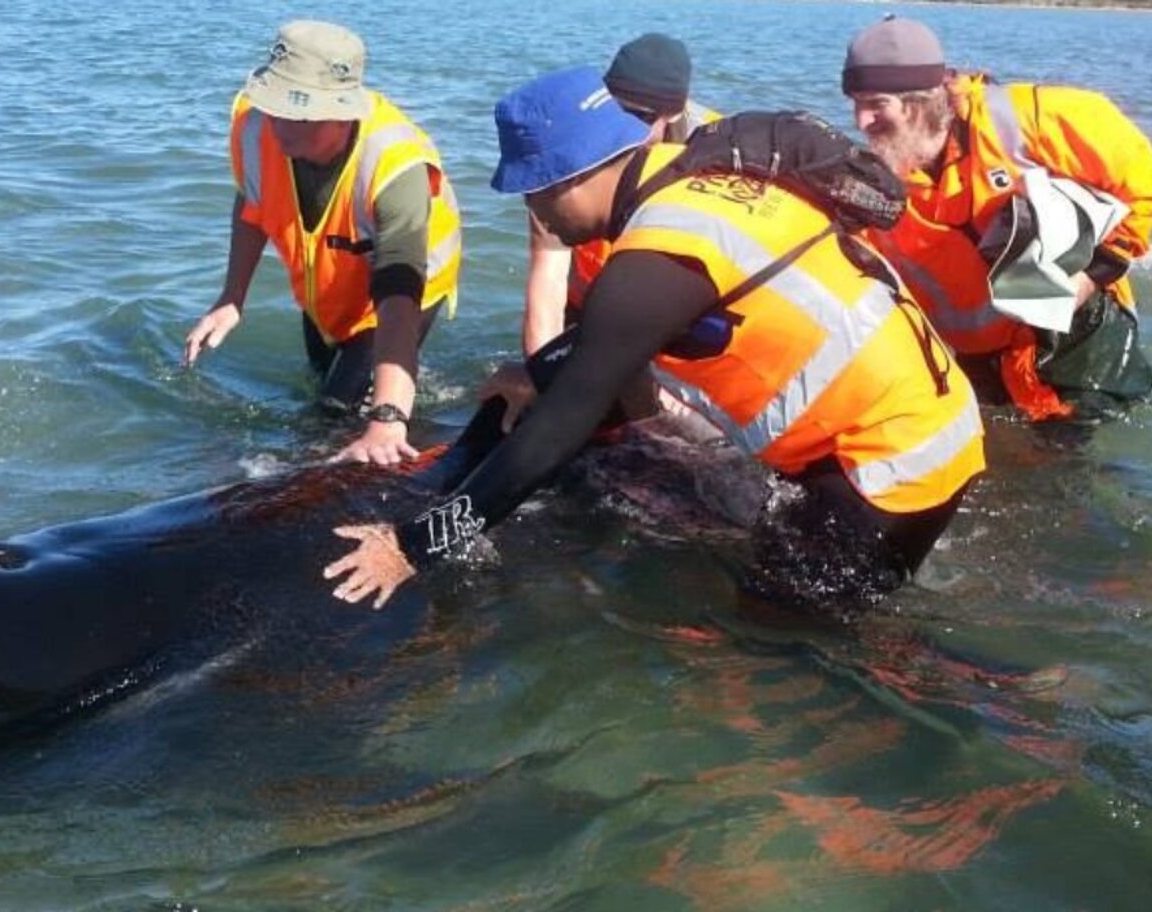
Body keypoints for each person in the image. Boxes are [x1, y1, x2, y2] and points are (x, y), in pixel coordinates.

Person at [323, 67, 986, 609]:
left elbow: (551, 439)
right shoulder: (699, 179)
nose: (538, 215)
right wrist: (542, 370)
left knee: (779, 643)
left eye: (538, 195)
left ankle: (986, 701)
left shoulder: (650, 259)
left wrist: (415, 545)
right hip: (931, 425)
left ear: (576, 176)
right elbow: (622, 347)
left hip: (890, 469)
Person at [841, 16, 1152, 422]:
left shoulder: (1027, 119)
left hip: (1077, 334)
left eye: (875, 105)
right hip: (984, 358)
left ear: (919, 101)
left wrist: (1094, 274)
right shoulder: (885, 180)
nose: (860, 122)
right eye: (855, 103)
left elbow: (1139, 183)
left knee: (1072, 465)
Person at [183, 20, 463, 464]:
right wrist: (231, 297)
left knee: (329, 416)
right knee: (321, 380)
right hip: (327, 278)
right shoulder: (259, 129)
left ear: (341, 112)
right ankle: (410, 396)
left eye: (296, 112)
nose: (277, 124)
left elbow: (398, 296)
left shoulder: (395, 167)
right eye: (273, 107)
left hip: (403, 286)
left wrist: (387, 417)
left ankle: (398, 436)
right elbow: (252, 202)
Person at [522, 33, 719, 357]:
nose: (625, 130)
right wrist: (537, 375)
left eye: (641, 117)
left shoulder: (713, 156)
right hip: (588, 305)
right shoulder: (577, 140)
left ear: (674, 112)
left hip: (671, 312)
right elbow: (548, 276)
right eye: (617, 112)